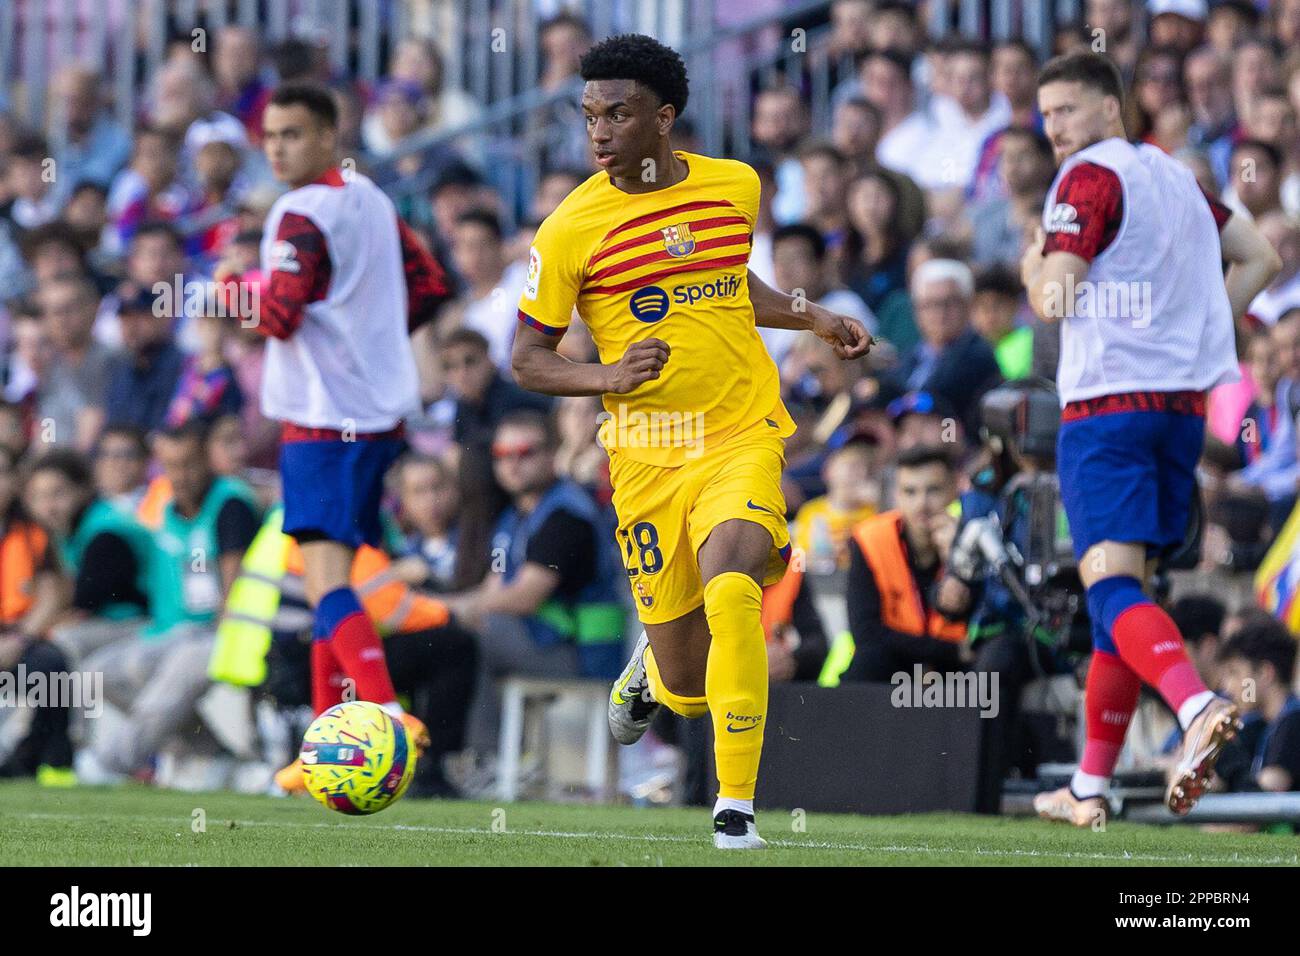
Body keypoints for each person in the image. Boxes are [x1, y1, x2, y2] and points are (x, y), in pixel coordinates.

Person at [510, 35, 870, 848]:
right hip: (643, 456)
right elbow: (526, 360)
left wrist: (810, 315)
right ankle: (654, 677)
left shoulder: (735, 186)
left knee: (735, 580)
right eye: (589, 115)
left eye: (619, 113)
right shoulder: (571, 228)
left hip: (741, 430)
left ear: (664, 117)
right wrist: (606, 378)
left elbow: (725, 279)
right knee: (685, 678)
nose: (598, 132)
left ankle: (734, 809)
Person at [1019, 51, 1282, 824]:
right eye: (1046, 115)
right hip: (1180, 410)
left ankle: (1195, 705)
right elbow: (1260, 257)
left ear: (1109, 109)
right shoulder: (1175, 179)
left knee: (1107, 585)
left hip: (1106, 411)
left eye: (1066, 109)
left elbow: (1055, 297)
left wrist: (1036, 258)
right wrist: (1190, 327)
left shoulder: (1089, 179)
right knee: (1120, 605)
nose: (1053, 128)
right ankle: (1088, 789)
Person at [246, 83, 452, 791]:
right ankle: (321, 745)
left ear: (330, 135)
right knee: (321, 583)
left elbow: (275, 315)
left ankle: (390, 717)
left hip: (320, 421)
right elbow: (430, 284)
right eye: (271, 134)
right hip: (376, 416)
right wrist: (370, 337)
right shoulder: (374, 200)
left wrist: (232, 288)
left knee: (328, 582)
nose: (278, 147)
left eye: (293, 134)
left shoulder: (298, 210)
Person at [840, 445, 965, 683]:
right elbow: (866, 634)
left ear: (954, 490)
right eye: (910, 492)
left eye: (933, 490)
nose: (922, 504)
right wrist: (948, 651)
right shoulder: (870, 539)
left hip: (956, 671)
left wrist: (955, 559)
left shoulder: (974, 538)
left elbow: (980, 635)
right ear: (896, 495)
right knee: (867, 663)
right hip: (899, 663)